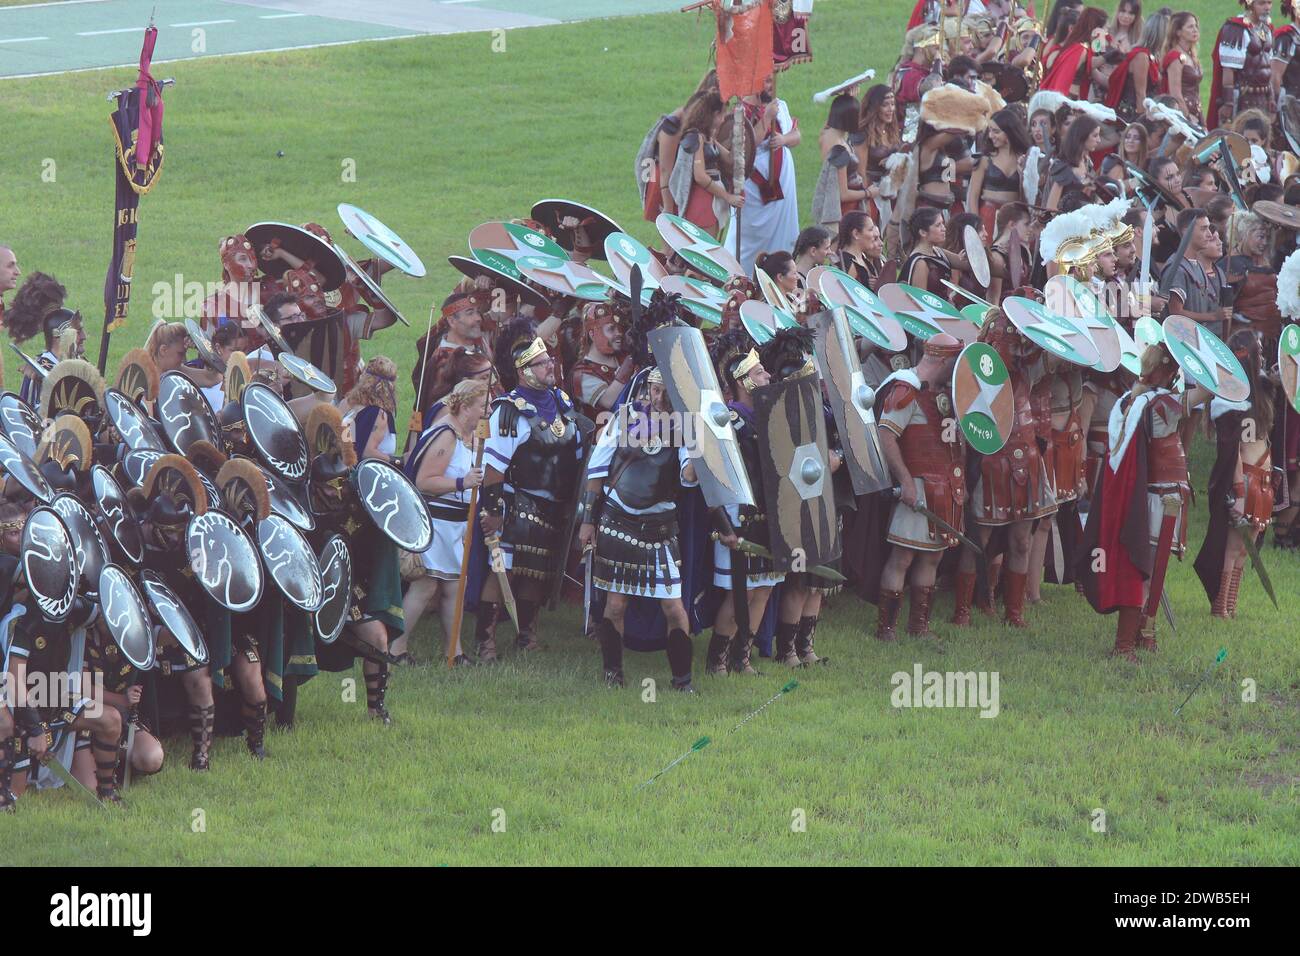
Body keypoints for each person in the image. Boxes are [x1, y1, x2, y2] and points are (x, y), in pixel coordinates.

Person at [1076, 341, 1212, 661]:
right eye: (1174, 370)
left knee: (1145, 570)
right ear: (1165, 372)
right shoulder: (1158, 405)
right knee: (1141, 570)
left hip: (1152, 497)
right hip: (1157, 499)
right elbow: (1207, 391)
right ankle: (1127, 643)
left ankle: (1142, 635)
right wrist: (1201, 358)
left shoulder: (1130, 401)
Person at [476, 319, 587, 660]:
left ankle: (527, 635)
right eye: (541, 363)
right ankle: (486, 640)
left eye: (549, 361)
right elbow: (493, 469)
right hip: (517, 504)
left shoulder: (563, 402)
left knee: (537, 573)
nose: (550, 366)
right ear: (524, 372)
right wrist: (493, 512)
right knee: (504, 570)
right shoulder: (508, 412)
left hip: (555, 506)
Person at [581, 365, 697, 690]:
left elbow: (688, 478)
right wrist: (588, 521)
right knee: (616, 604)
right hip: (618, 522)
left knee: (673, 607)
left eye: (665, 391)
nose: (659, 397)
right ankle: (613, 674)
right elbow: (597, 469)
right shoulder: (623, 417)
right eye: (654, 389)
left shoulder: (687, 427)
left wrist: (705, 452)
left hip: (660, 529)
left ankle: (682, 680)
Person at [874, 332, 966, 641]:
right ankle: (886, 629)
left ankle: (918, 627)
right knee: (902, 557)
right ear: (942, 360)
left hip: (946, 486)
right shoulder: (905, 389)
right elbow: (886, 435)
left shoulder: (948, 393)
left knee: (933, 556)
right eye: (954, 363)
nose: (958, 369)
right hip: (917, 483)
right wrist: (904, 482)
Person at [705, 331, 782, 675]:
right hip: (740, 515)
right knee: (741, 594)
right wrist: (723, 525)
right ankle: (716, 659)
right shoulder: (728, 421)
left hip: (771, 514)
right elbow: (714, 477)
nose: (767, 377)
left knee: (764, 588)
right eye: (760, 372)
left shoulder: (773, 415)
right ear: (742, 382)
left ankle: (742, 656)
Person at [399, 378, 489, 665]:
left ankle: (455, 652)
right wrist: (463, 482)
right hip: (436, 524)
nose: (484, 414)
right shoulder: (446, 435)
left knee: (453, 588)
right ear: (465, 407)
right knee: (425, 587)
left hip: (453, 525)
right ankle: (394, 650)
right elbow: (425, 481)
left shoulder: (462, 433)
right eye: (481, 407)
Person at [1194, 330, 1274, 618]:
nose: (1263, 354)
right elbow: (1235, 453)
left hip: (1262, 481)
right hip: (1246, 480)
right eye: (1260, 349)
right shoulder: (1231, 401)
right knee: (1232, 547)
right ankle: (1220, 608)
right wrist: (1239, 492)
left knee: (1245, 548)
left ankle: (1231, 605)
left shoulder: (1259, 391)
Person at [723, 72, 802, 276]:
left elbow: (796, 136)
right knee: (750, 242)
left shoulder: (779, 105)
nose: (770, 85)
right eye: (766, 81)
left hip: (782, 188)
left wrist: (784, 140)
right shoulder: (740, 112)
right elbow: (744, 147)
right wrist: (766, 118)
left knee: (784, 240)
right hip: (754, 190)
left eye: (771, 81)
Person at [635, 70, 717, 220]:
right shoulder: (675, 123)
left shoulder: (707, 121)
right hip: (667, 188)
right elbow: (666, 170)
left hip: (686, 186)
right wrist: (668, 209)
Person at [668, 92, 742, 239]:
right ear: (714, 114)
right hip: (702, 202)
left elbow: (729, 159)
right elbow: (700, 176)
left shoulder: (709, 138)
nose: (723, 120)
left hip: (711, 199)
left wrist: (737, 138)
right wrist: (727, 197)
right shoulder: (696, 138)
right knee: (705, 251)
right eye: (722, 115)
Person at [1158, 208, 1232, 339]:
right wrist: (1213, 316)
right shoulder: (1177, 268)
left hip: (1198, 340)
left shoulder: (1197, 265)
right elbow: (1176, 313)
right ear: (1187, 231)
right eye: (1204, 229)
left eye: (1209, 228)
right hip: (1183, 343)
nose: (1209, 234)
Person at [1210, 0, 1277, 129]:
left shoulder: (1266, 29)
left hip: (1263, 96)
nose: (1267, 7)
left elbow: (1268, 67)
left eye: (1269, 3)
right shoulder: (1236, 29)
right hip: (1243, 98)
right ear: (1250, 4)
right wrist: (1228, 103)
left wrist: (1271, 98)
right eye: (1262, 3)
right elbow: (1229, 69)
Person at [967, 108, 1029, 239]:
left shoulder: (1024, 158)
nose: (991, 135)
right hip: (987, 214)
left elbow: (1027, 197)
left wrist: (1023, 173)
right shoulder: (984, 159)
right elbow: (973, 196)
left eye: (996, 131)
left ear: (1009, 132)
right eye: (990, 131)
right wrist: (976, 226)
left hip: (1014, 217)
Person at [812, 93, 871, 229]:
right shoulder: (839, 149)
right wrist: (868, 193)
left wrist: (846, 99)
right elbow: (843, 194)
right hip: (845, 210)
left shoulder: (826, 135)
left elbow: (830, 124)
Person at [569, 301, 635, 423]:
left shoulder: (622, 356)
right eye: (611, 329)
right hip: (603, 439)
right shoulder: (581, 373)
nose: (619, 333)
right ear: (593, 335)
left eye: (619, 328)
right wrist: (630, 363)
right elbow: (608, 401)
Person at [1039, 6, 1112, 99]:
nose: (1106, 33)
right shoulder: (1078, 50)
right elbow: (1062, 81)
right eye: (1105, 29)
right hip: (1067, 102)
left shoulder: (1078, 48)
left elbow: (1095, 71)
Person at [338, 357, 399, 465]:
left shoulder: (345, 403)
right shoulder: (379, 415)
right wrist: (397, 461)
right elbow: (368, 453)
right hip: (362, 475)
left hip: (336, 468)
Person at [1044, 115, 1103, 211]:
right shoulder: (1063, 167)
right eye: (1095, 135)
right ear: (1082, 136)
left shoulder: (1087, 162)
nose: (1099, 140)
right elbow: (1051, 208)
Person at [1162, 12, 1204, 126]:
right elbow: (1175, 94)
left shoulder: (1191, 55)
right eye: (1190, 27)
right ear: (1178, 32)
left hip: (1196, 112)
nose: (1195, 30)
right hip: (1182, 115)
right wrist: (1187, 117)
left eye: (1196, 26)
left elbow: (1196, 91)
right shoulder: (1175, 57)